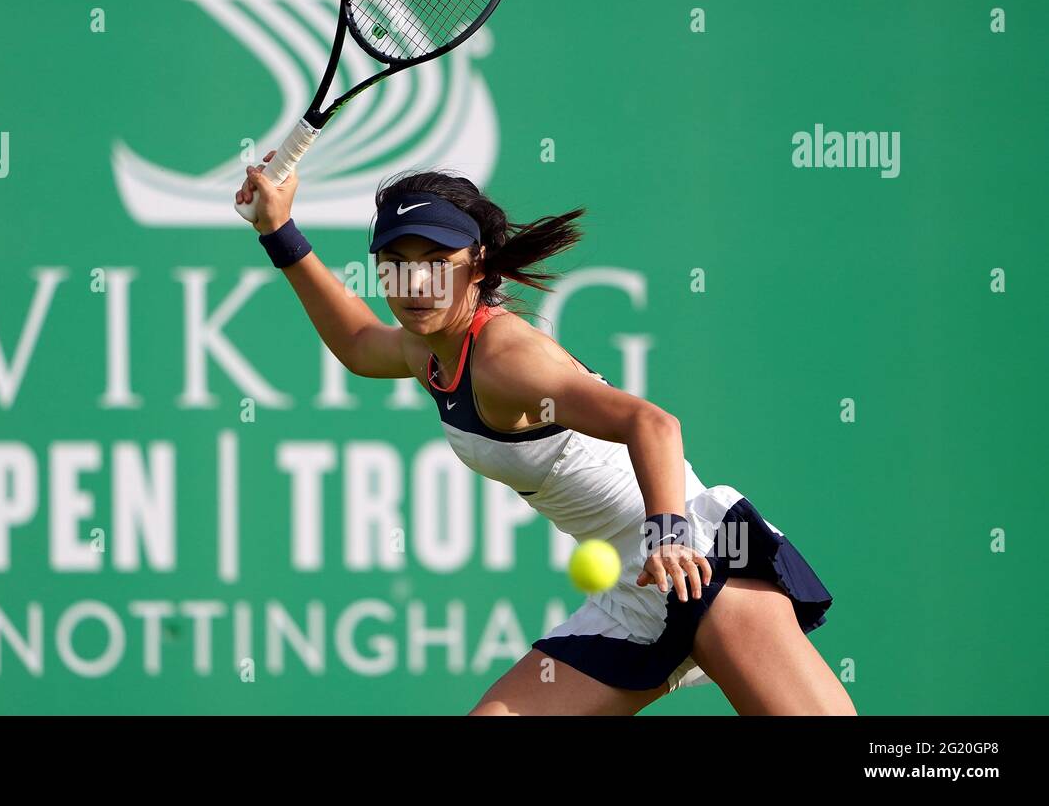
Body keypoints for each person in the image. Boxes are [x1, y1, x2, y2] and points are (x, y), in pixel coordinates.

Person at [237, 154, 856, 715]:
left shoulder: (506, 358)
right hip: (629, 591)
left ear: (477, 264)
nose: (416, 286)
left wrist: (667, 537)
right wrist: (277, 230)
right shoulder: (428, 345)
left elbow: (653, 423)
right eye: (396, 266)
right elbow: (356, 343)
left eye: (437, 264)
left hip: (697, 562)